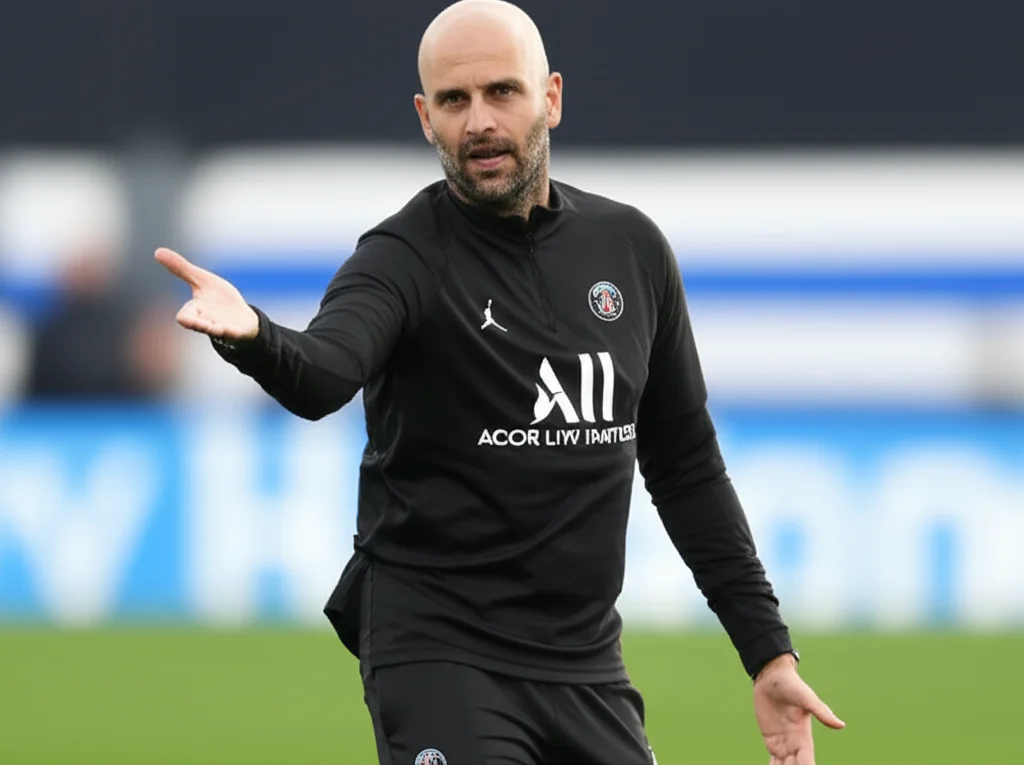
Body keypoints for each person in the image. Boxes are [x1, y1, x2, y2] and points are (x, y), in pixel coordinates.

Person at [156, 1, 845, 762]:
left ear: (550, 97)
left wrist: (768, 652)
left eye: (501, 92)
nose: (478, 120)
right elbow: (326, 372)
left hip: (585, 662)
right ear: (425, 117)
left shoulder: (632, 250)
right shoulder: (403, 257)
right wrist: (253, 334)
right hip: (439, 647)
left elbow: (685, 467)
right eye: (454, 101)